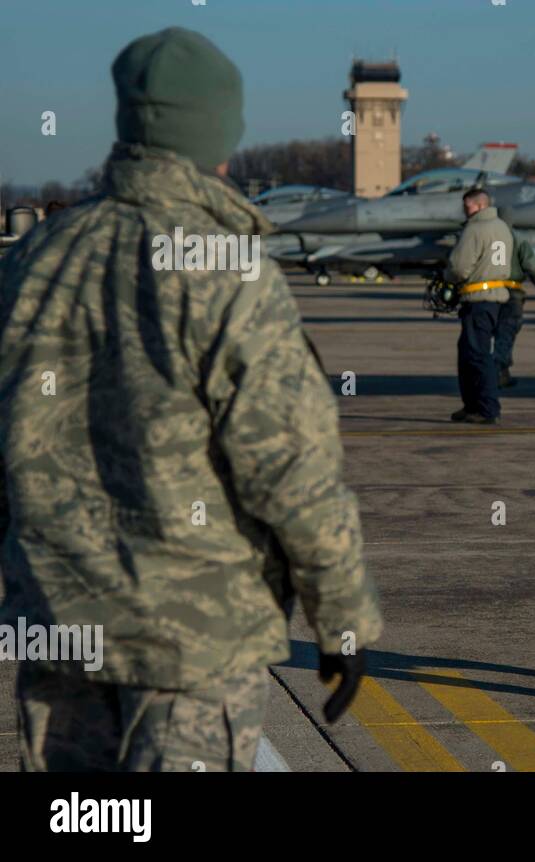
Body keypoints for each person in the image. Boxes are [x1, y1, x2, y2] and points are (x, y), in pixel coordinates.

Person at [0, 27, 383, 771]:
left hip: (58, 625)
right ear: (217, 136)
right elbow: (291, 470)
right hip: (193, 639)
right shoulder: (226, 269)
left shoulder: (35, 259)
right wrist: (342, 619)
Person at [448, 189, 513, 423]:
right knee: (469, 353)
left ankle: (487, 409)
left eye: (467, 206)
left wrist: (449, 277)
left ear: (477, 205)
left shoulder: (474, 229)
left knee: (477, 355)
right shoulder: (502, 227)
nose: (465, 211)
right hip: (496, 299)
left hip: (478, 300)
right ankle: (472, 405)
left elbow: (458, 266)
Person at [493, 206, 535, 389]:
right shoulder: (517, 237)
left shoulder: (489, 235)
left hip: (488, 293)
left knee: (487, 333)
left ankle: (496, 372)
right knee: (507, 332)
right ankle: (499, 372)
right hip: (512, 293)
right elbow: (530, 264)